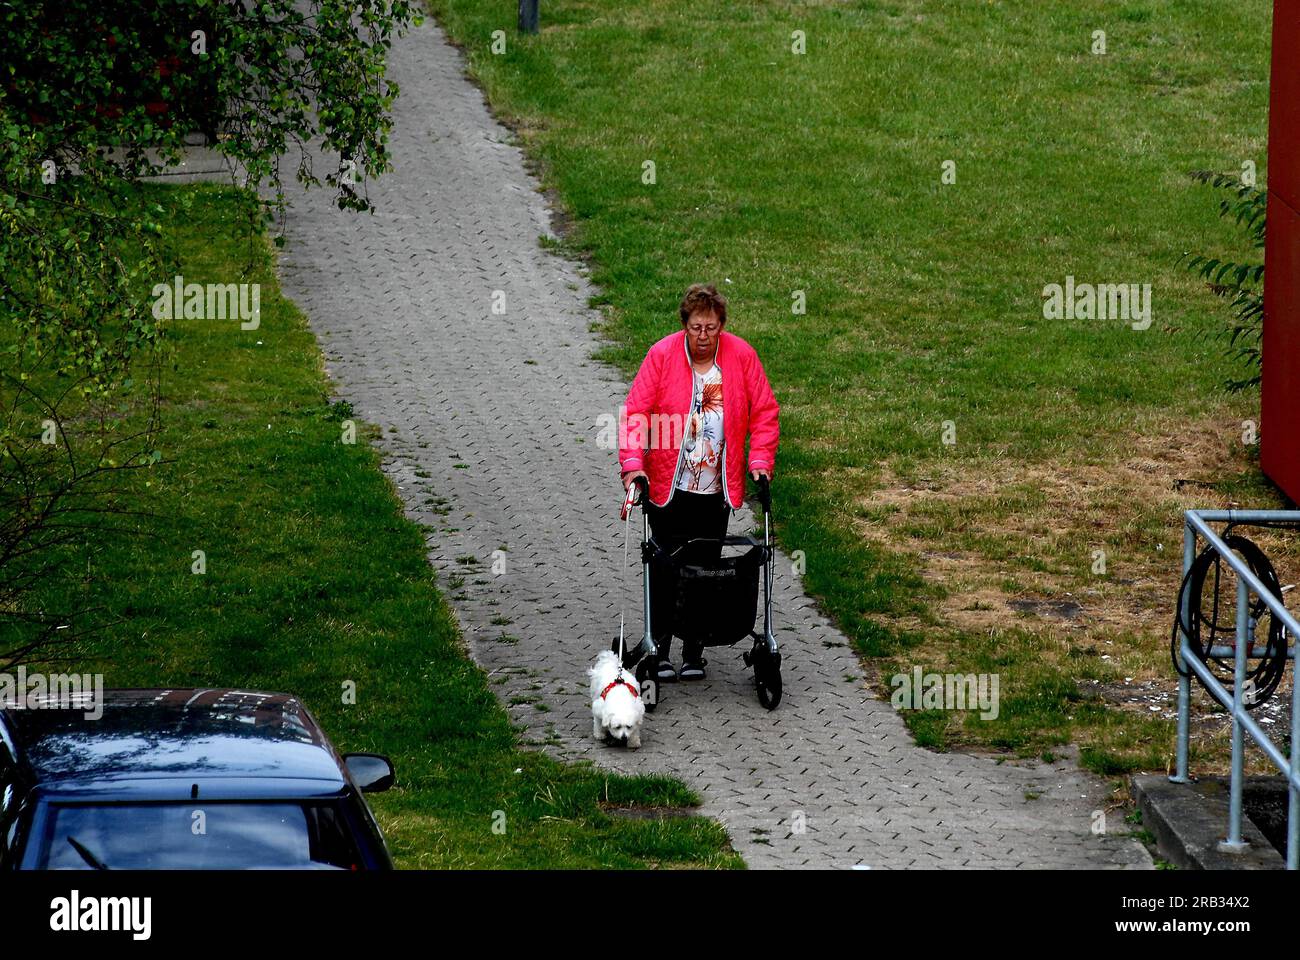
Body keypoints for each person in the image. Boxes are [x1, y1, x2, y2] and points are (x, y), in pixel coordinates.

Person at [618, 283, 780, 681]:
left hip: (715, 486)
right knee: (665, 565)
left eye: (710, 328)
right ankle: (661, 648)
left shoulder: (741, 357)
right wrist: (633, 465)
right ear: (684, 326)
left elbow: (764, 412)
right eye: (695, 328)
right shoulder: (661, 355)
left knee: (705, 568)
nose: (703, 337)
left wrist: (759, 460)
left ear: (721, 325)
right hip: (667, 484)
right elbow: (636, 413)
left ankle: (695, 650)